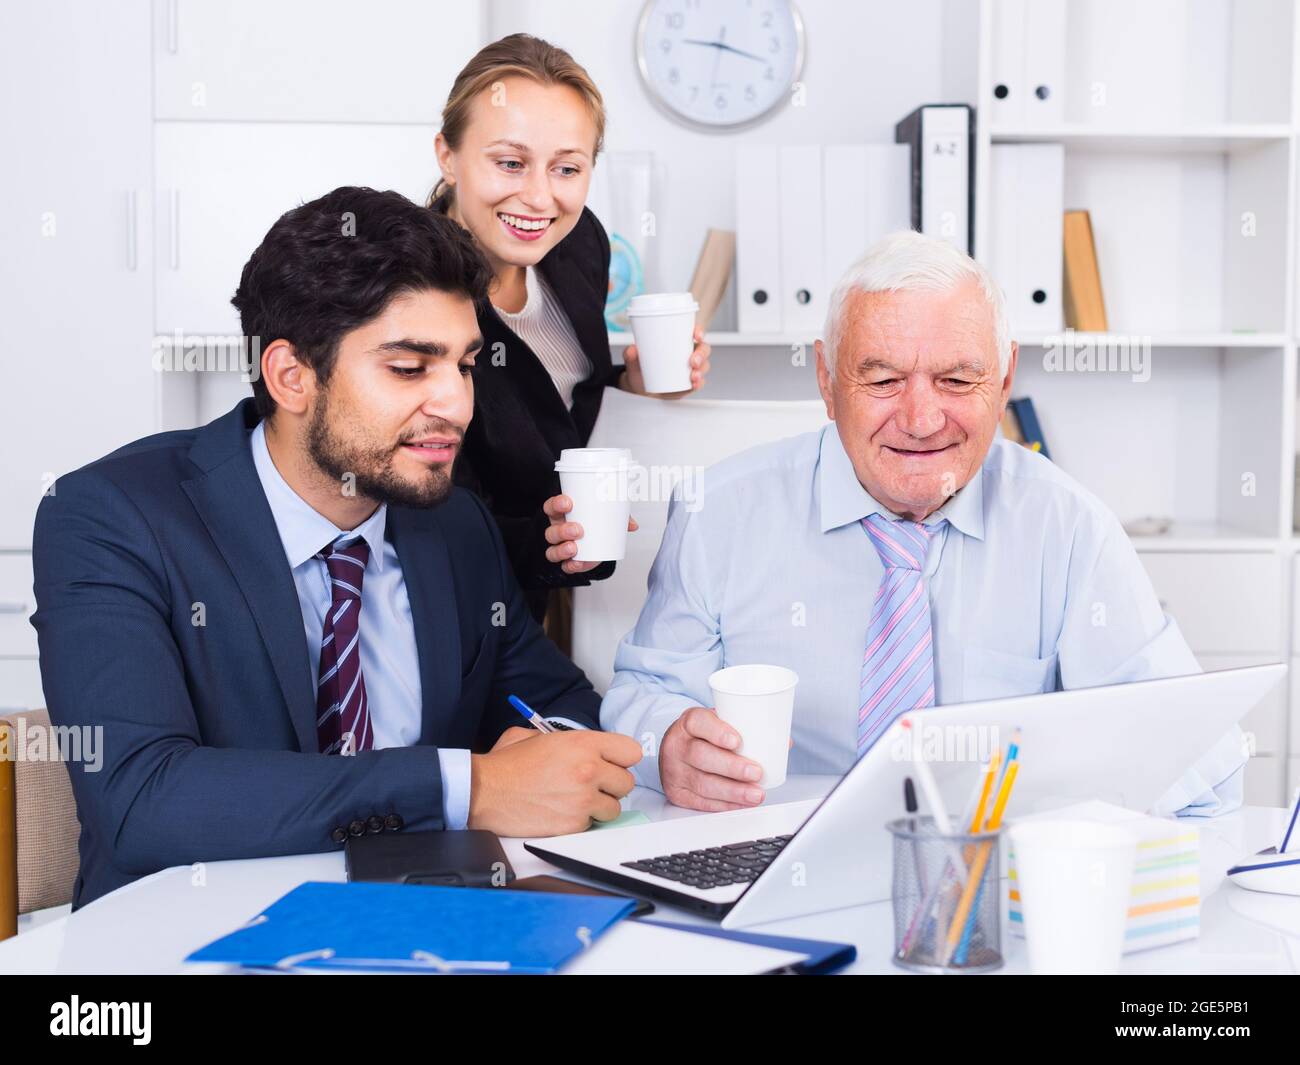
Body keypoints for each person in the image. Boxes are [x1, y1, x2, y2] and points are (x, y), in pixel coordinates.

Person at [31, 186, 641, 909]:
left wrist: (559, 758)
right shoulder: (114, 517)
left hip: (420, 932)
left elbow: (559, 703)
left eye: (466, 364)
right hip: (186, 940)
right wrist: (470, 786)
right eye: (410, 368)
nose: (456, 403)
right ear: (292, 376)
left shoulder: (454, 526)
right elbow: (142, 797)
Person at [601, 229, 1244, 817]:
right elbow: (643, 691)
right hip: (773, 850)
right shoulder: (720, 511)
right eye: (881, 378)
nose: (920, 418)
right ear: (827, 381)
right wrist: (668, 745)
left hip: (987, 871)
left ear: (1005, 377)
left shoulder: (1068, 527)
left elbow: (1195, 753)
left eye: (957, 380)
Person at [430, 33, 712, 631]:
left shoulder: (579, 244)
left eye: (566, 168)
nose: (538, 197)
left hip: (567, 589)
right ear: (448, 156)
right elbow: (417, 515)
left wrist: (631, 383)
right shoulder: (417, 296)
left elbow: (559, 399)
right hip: (465, 610)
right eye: (509, 162)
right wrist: (544, 545)